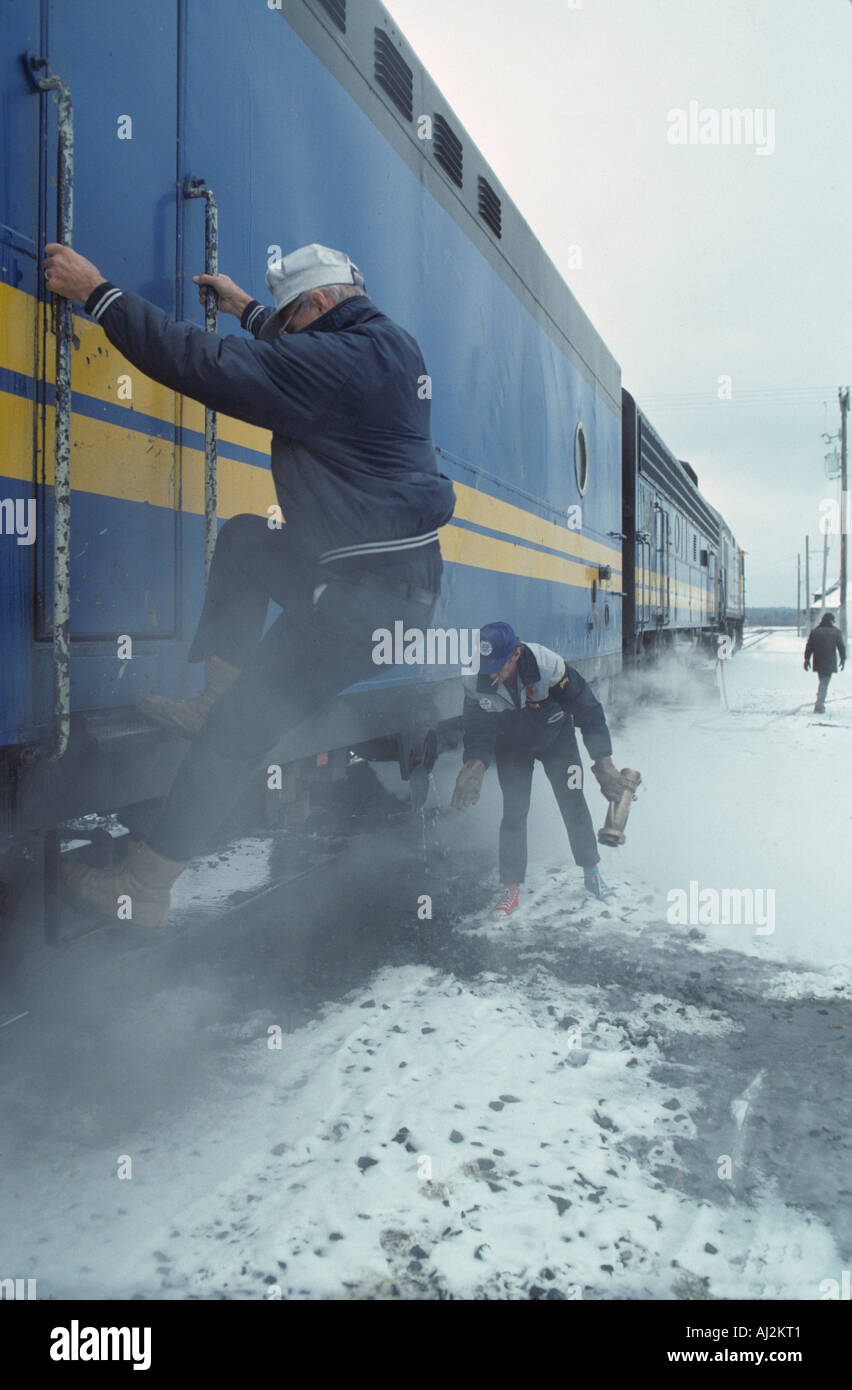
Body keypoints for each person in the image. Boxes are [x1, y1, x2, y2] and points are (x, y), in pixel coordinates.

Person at [43, 240, 455, 926]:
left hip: (358, 602)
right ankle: (217, 692)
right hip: (383, 584)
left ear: (320, 303)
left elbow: (209, 365)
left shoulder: (341, 359)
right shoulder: (391, 345)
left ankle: (146, 887)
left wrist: (99, 293)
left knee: (236, 736)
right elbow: (308, 353)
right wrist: (253, 311)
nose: (288, 331)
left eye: (294, 318)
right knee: (242, 540)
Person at [451, 621, 627, 913]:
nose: (492, 674)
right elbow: (477, 729)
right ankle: (511, 888)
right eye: (486, 666)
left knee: (573, 801)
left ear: (516, 654)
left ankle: (592, 874)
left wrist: (604, 762)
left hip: (557, 738)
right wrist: (475, 765)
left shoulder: (547, 665)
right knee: (514, 812)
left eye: (498, 666)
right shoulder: (474, 678)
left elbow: (588, 709)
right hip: (512, 747)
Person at [804, 611, 846, 713]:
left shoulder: (815, 631)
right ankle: (819, 704)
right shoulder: (836, 632)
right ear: (831, 621)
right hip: (830, 661)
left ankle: (820, 702)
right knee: (824, 683)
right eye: (833, 621)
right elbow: (841, 647)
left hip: (818, 661)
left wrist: (806, 659)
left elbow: (809, 647)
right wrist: (843, 659)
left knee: (822, 681)